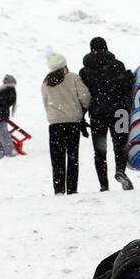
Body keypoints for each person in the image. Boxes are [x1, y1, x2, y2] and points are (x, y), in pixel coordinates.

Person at [79, 38, 134, 191]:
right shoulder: (118, 65)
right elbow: (125, 87)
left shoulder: (84, 72)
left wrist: (81, 118)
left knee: (100, 151)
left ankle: (104, 185)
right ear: (106, 47)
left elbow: (84, 96)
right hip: (120, 111)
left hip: (97, 114)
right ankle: (120, 171)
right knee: (121, 145)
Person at [41, 53, 92, 195]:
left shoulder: (46, 82)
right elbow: (85, 97)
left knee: (56, 158)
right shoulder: (74, 78)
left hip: (55, 124)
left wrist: (53, 115)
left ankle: (58, 189)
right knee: (72, 157)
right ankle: (71, 189)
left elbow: (45, 102)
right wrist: (81, 111)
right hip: (72, 123)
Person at [0, 74, 18, 159]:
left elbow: (6, 101)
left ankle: (10, 151)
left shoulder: (10, 89)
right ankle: (1, 153)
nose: (3, 80)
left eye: (6, 79)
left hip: (0, 114)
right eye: (4, 79)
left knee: (3, 134)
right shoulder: (2, 89)